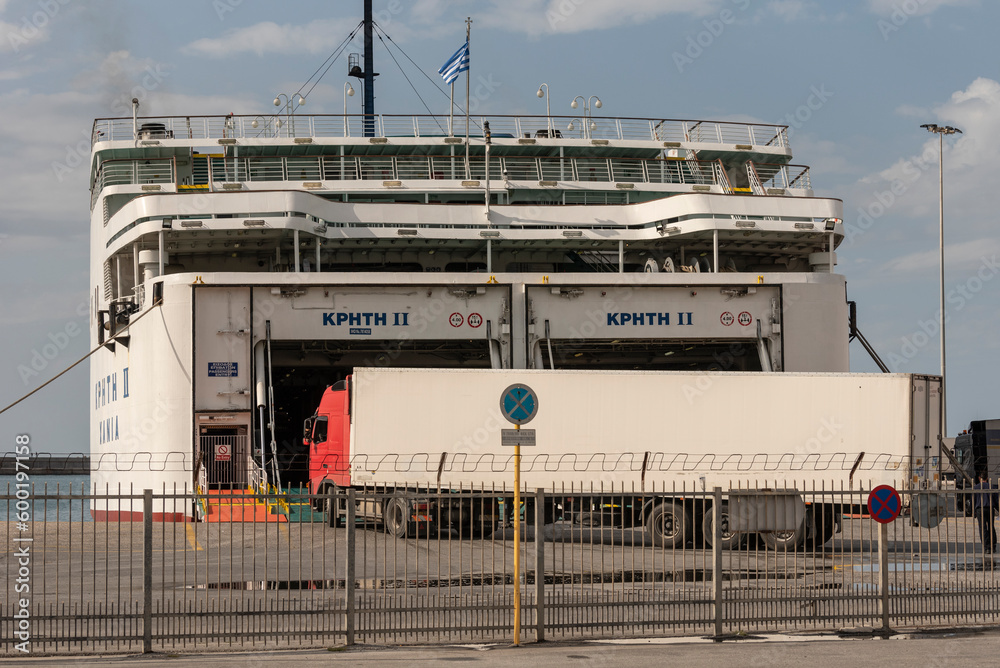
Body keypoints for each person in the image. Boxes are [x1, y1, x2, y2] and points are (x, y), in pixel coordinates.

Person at [972, 474, 998, 553]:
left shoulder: (976, 487)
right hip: (990, 508)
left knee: (982, 528)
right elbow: (996, 499)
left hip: (980, 509)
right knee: (991, 527)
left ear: (979, 478)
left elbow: (973, 500)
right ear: (987, 478)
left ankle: (987, 547)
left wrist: (973, 512)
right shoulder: (991, 487)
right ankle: (993, 546)